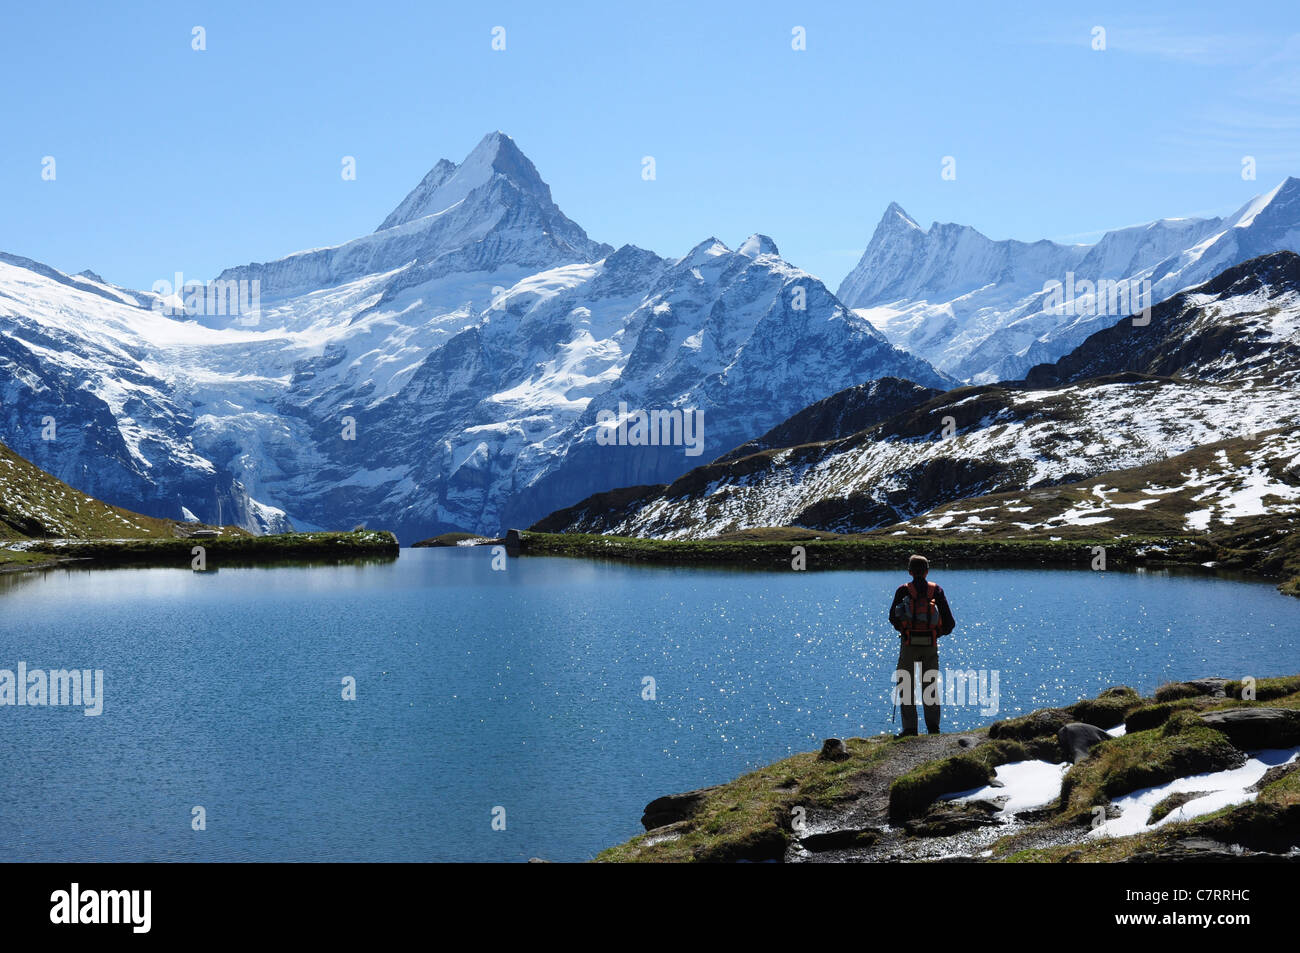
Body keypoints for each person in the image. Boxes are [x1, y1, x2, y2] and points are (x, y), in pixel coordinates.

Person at [889, 554, 955, 736]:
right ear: (927, 571)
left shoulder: (903, 590)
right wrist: (935, 634)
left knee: (907, 684)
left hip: (909, 643)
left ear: (910, 571)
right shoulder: (937, 591)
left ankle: (910, 730)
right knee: (930, 685)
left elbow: (892, 617)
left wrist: (905, 631)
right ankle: (933, 729)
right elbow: (950, 624)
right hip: (930, 645)